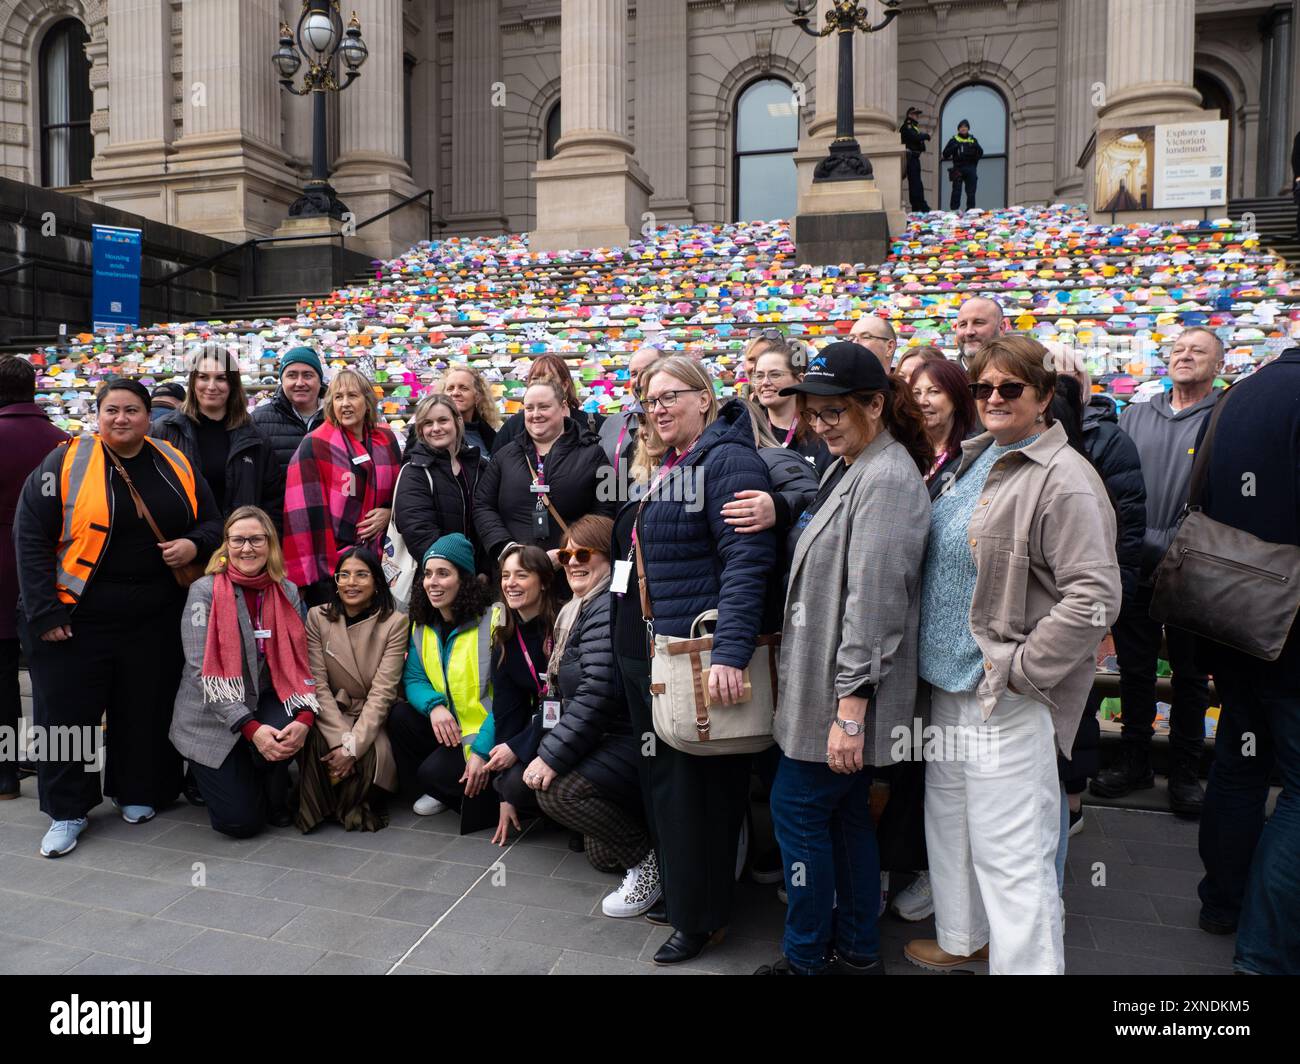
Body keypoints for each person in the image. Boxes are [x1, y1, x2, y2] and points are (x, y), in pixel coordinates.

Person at [906, 336, 1119, 975]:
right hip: (949, 684)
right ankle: (962, 934)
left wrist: (1024, 669)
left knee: (1013, 847)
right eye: (982, 388)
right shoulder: (976, 457)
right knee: (951, 825)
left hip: (1005, 692)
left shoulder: (1066, 477)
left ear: (1045, 396)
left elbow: (1095, 596)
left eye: (1010, 388)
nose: (993, 399)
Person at [755, 342, 931, 976]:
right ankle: (856, 952)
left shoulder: (884, 477)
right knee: (846, 817)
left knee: (798, 814)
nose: (821, 424)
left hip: (841, 693)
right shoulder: (855, 463)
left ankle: (806, 959)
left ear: (874, 405)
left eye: (834, 412)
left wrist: (850, 708)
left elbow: (875, 602)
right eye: (813, 412)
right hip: (826, 685)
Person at [613, 354, 776, 965]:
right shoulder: (675, 462)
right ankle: (689, 897)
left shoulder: (727, 460)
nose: (658, 410)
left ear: (706, 398)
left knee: (698, 795)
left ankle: (701, 917)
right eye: (650, 401)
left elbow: (746, 563)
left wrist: (730, 653)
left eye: (670, 397)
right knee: (675, 789)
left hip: (702, 653)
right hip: (664, 652)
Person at [15, 379, 222, 857]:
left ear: (149, 417)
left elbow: (214, 521)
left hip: (154, 613)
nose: (121, 419)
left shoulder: (175, 462)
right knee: (66, 714)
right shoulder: (63, 462)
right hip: (77, 614)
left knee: (145, 705)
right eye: (112, 410)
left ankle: (139, 789)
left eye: (132, 410)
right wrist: (46, 611)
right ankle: (67, 810)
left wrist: (194, 544)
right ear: (98, 414)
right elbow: (30, 537)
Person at [1193, 347, 1300, 974]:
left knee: (1240, 766)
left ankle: (1223, 904)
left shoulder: (1242, 393)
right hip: (1287, 632)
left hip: (1237, 620)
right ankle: (1264, 953)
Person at [1091, 327, 1224, 815]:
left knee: (1190, 675)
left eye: (1199, 351)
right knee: (1135, 669)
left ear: (1219, 363)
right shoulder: (1136, 414)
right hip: (1136, 564)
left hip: (1194, 568)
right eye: (1179, 349)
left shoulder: (1223, 417)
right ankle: (1134, 760)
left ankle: (1186, 771)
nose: (1186, 356)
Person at [529, 517, 655, 914]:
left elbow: (598, 691)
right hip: (607, 737)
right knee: (601, 856)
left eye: (584, 553)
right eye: (565, 555)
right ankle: (652, 840)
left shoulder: (604, 606)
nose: (572, 562)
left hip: (629, 739)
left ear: (609, 555)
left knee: (556, 792)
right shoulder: (580, 607)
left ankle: (651, 866)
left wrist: (551, 755)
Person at [170, 506, 316, 837]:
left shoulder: (287, 590)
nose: (247, 548)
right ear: (226, 545)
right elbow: (199, 672)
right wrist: (251, 730)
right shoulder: (203, 592)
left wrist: (305, 719)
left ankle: (263, 774)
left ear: (270, 544)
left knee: (286, 728)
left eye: (256, 540)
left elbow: (301, 661)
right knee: (240, 823)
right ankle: (218, 768)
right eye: (238, 540)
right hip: (210, 715)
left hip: (264, 700)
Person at [1056, 369, 1145, 840]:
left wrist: (1112, 607)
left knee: (1078, 702)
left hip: (1079, 609)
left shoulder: (1101, 446)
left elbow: (1127, 529)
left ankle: (1071, 802)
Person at [385, 535, 498, 831]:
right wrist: (433, 707)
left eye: (444, 573)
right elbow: (414, 677)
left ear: (464, 579)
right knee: (399, 717)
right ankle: (442, 788)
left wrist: (483, 749)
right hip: (450, 726)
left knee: (435, 773)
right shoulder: (423, 624)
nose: (432, 582)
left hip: (487, 732)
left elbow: (509, 700)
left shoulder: (494, 621)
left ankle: (465, 788)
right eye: (428, 573)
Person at [298, 547, 407, 833]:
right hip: (332, 709)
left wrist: (351, 747)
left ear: (376, 582)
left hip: (371, 714)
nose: (351, 583)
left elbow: (383, 692)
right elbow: (317, 684)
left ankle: (354, 805)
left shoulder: (395, 623)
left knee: (368, 755)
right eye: (343, 575)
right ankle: (319, 806)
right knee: (320, 743)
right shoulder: (317, 617)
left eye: (361, 575)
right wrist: (339, 741)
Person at [0, 357, 67, 799]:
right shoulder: (64, 442)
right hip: (50, 572)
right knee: (53, 679)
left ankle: (4, 775)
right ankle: (54, 770)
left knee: (1, 676)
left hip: (1, 572)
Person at [283, 367, 403, 608]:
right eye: (338, 397)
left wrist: (390, 513)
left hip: (384, 560)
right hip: (334, 569)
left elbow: (402, 493)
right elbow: (305, 515)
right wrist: (320, 574)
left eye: (353, 396)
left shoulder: (386, 439)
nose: (345, 404)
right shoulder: (316, 445)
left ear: (367, 401)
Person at [474, 379, 615, 560]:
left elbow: (609, 507)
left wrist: (573, 550)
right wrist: (506, 547)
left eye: (544, 407)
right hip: (518, 570)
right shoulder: (504, 456)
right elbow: (482, 505)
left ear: (563, 407)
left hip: (574, 566)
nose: (535, 414)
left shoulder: (595, 453)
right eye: (529, 408)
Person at [476, 544, 557, 845]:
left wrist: (519, 746)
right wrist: (503, 796)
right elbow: (507, 713)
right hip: (542, 727)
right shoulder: (507, 637)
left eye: (521, 575)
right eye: (506, 575)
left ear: (545, 581)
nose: (510, 583)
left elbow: (566, 704)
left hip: (576, 729)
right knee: (510, 784)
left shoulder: (564, 625)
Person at [151, 353, 283, 525]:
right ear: (193, 382)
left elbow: (272, 499)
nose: (211, 386)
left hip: (239, 546)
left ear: (232, 384)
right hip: (184, 545)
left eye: (221, 378)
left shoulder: (255, 437)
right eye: (203, 377)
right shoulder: (165, 430)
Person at [393, 394, 487, 576]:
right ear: (420, 430)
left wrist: (484, 571)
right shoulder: (414, 471)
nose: (436, 428)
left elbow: (488, 521)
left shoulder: (478, 466)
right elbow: (418, 532)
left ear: (458, 421)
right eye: (428, 423)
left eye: (443, 420)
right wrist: (457, 572)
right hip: (435, 579)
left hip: (478, 579)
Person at [251, 347, 326, 511]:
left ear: (320, 380)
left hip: (329, 522)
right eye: (292, 375)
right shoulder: (258, 421)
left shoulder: (337, 419)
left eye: (308, 375)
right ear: (282, 380)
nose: (300, 383)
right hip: (278, 523)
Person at [491, 353, 603, 455]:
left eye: (550, 379)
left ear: (564, 385)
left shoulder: (594, 424)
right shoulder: (513, 426)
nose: (541, 384)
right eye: (535, 379)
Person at [748, 340, 832, 474]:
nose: (765, 382)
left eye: (775, 375)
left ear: (800, 379)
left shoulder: (821, 430)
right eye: (759, 376)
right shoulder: (747, 430)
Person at [912, 356, 979, 499]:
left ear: (956, 398)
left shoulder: (972, 453)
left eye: (934, 391)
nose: (922, 401)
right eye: (916, 393)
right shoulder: (904, 449)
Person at [598, 344, 660, 468]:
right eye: (634, 374)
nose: (639, 380)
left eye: (648, 371)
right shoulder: (612, 424)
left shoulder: (676, 422)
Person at [438, 364, 501, 458]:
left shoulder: (491, 436)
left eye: (463, 388)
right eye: (450, 388)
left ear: (477, 396)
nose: (455, 393)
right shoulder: (430, 432)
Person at [941, 119, 983, 211]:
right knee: (956, 191)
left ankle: (970, 210)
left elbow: (980, 153)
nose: (963, 128)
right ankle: (954, 210)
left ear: (968, 128)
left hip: (970, 167)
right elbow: (945, 154)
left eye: (965, 126)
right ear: (958, 129)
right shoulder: (954, 140)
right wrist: (954, 147)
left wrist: (976, 148)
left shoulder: (973, 140)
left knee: (971, 191)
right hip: (958, 167)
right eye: (961, 127)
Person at [954, 297, 1008, 368]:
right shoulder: (942, 377)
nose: (969, 332)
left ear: (1001, 328)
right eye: (963, 324)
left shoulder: (1021, 373)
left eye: (978, 323)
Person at [900, 107, 932, 212]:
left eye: (917, 115)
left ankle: (920, 204)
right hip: (911, 157)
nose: (917, 116)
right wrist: (925, 136)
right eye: (915, 114)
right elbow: (914, 137)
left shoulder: (914, 127)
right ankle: (918, 206)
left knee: (918, 182)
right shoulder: (907, 126)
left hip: (915, 157)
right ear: (910, 115)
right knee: (915, 182)